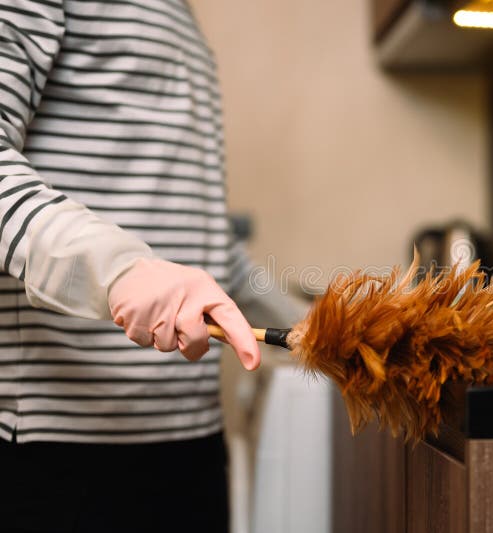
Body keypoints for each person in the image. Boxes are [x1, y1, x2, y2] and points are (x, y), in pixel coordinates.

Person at [0, 1, 299, 531]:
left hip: (192, 445)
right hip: (61, 455)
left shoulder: (177, 12)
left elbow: (199, 239)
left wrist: (308, 327)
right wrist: (120, 271)